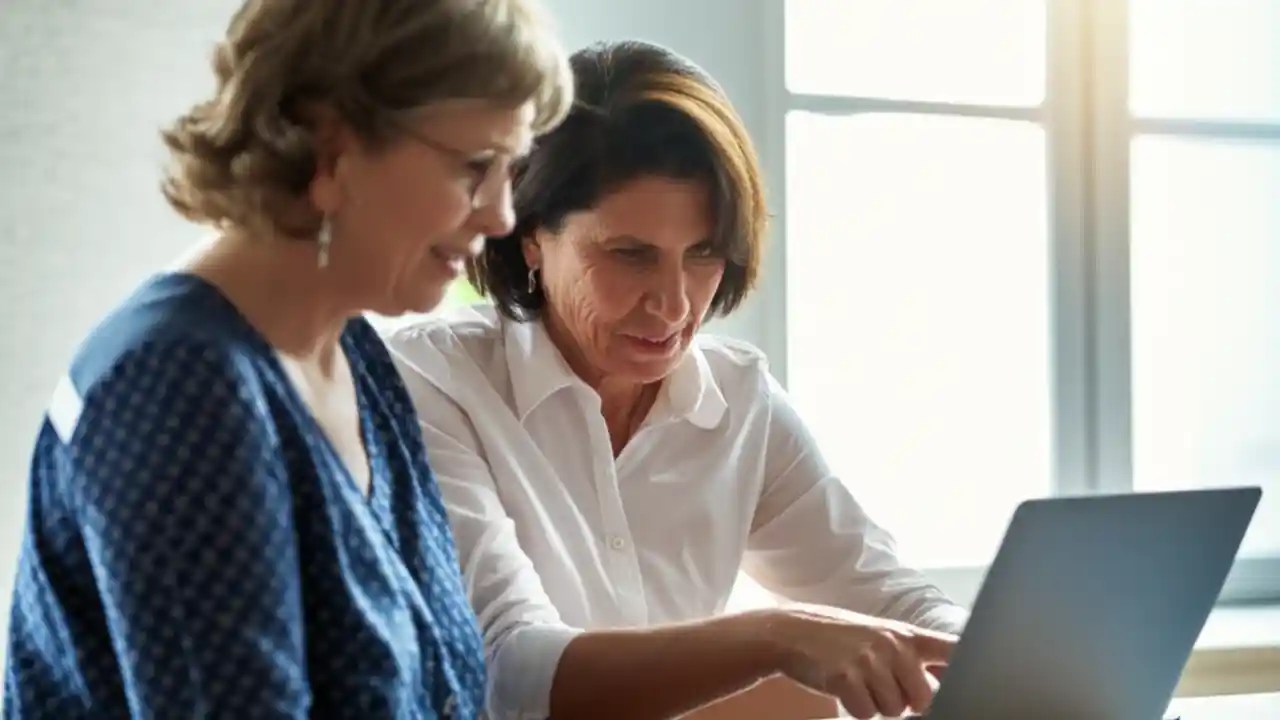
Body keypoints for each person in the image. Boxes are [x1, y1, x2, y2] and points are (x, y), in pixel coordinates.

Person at [3, 1, 570, 717]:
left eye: (512, 170)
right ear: (331, 147)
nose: (501, 216)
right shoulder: (178, 391)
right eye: (476, 167)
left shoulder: (351, 348)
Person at [387, 39, 967, 720]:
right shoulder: (433, 383)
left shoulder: (739, 402)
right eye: (631, 255)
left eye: (703, 254)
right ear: (531, 235)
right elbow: (514, 675)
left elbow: (889, 599)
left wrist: (994, 651)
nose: (675, 304)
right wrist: (774, 637)